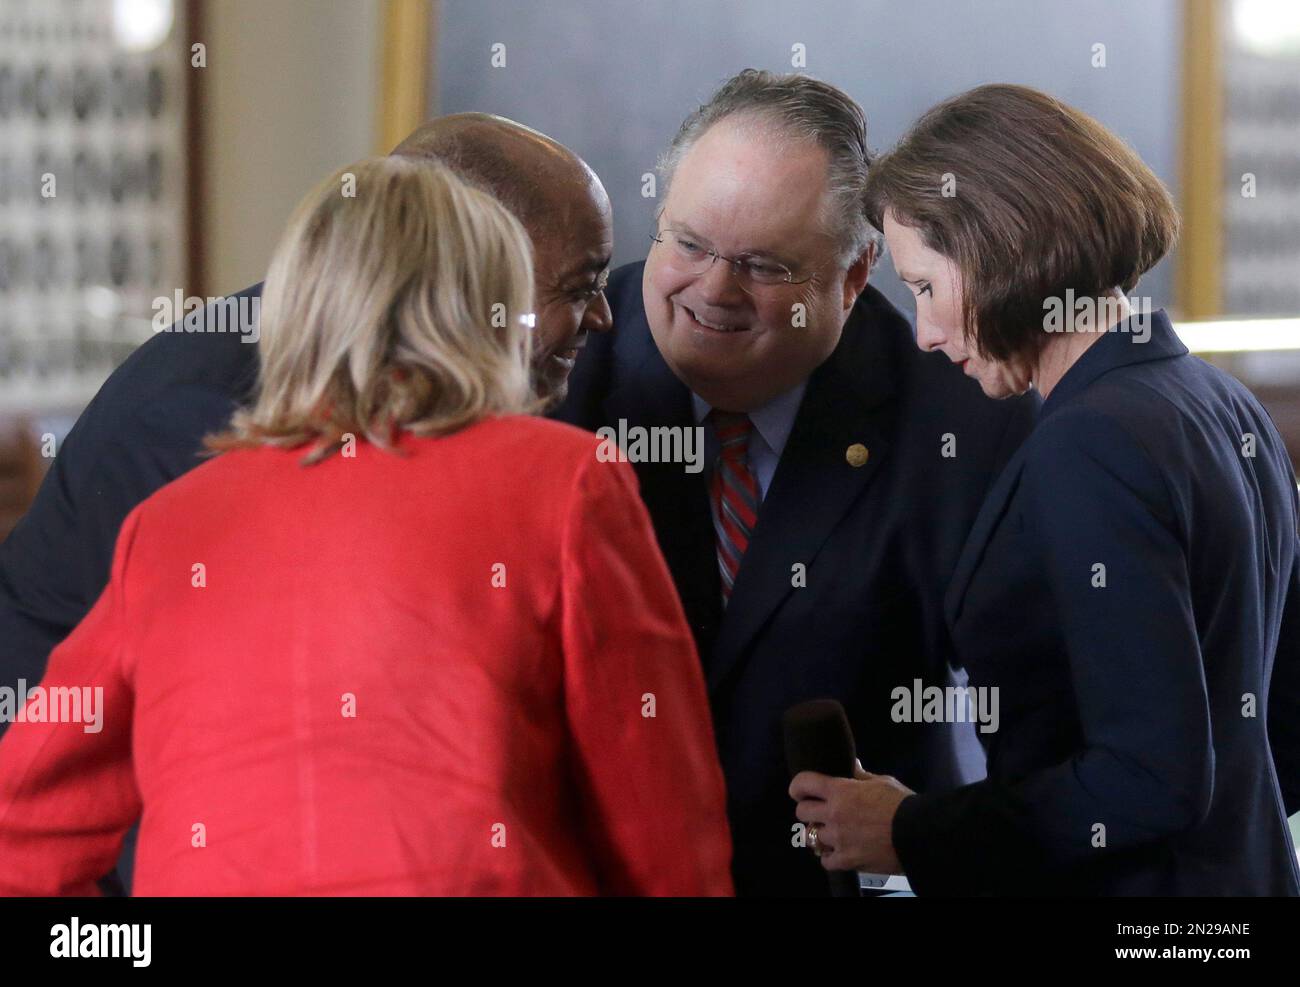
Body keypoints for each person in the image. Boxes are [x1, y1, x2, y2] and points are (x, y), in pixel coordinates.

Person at [0, 156, 733, 896]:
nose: (600, 316)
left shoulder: (166, 525)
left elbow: (22, 836)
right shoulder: (568, 481)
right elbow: (666, 834)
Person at [790, 83, 1300, 895]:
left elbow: (1150, 780)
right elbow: (1281, 735)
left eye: (925, 287)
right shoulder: (1218, 400)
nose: (923, 333)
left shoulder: (1091, 441)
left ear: (1000, 249)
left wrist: (909, 830)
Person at [554, 69, 1039, 896]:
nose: (713, 290)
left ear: (853, 278)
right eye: (689, 243)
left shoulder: (962, 417)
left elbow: (1038, 718)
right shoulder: (564, 373)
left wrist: (935, 836)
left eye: (763, 266)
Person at [0, 113, 614, 705]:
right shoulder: (207, 414)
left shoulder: (399, 372)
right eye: (580, 287)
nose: (602, 318)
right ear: (476, 258)